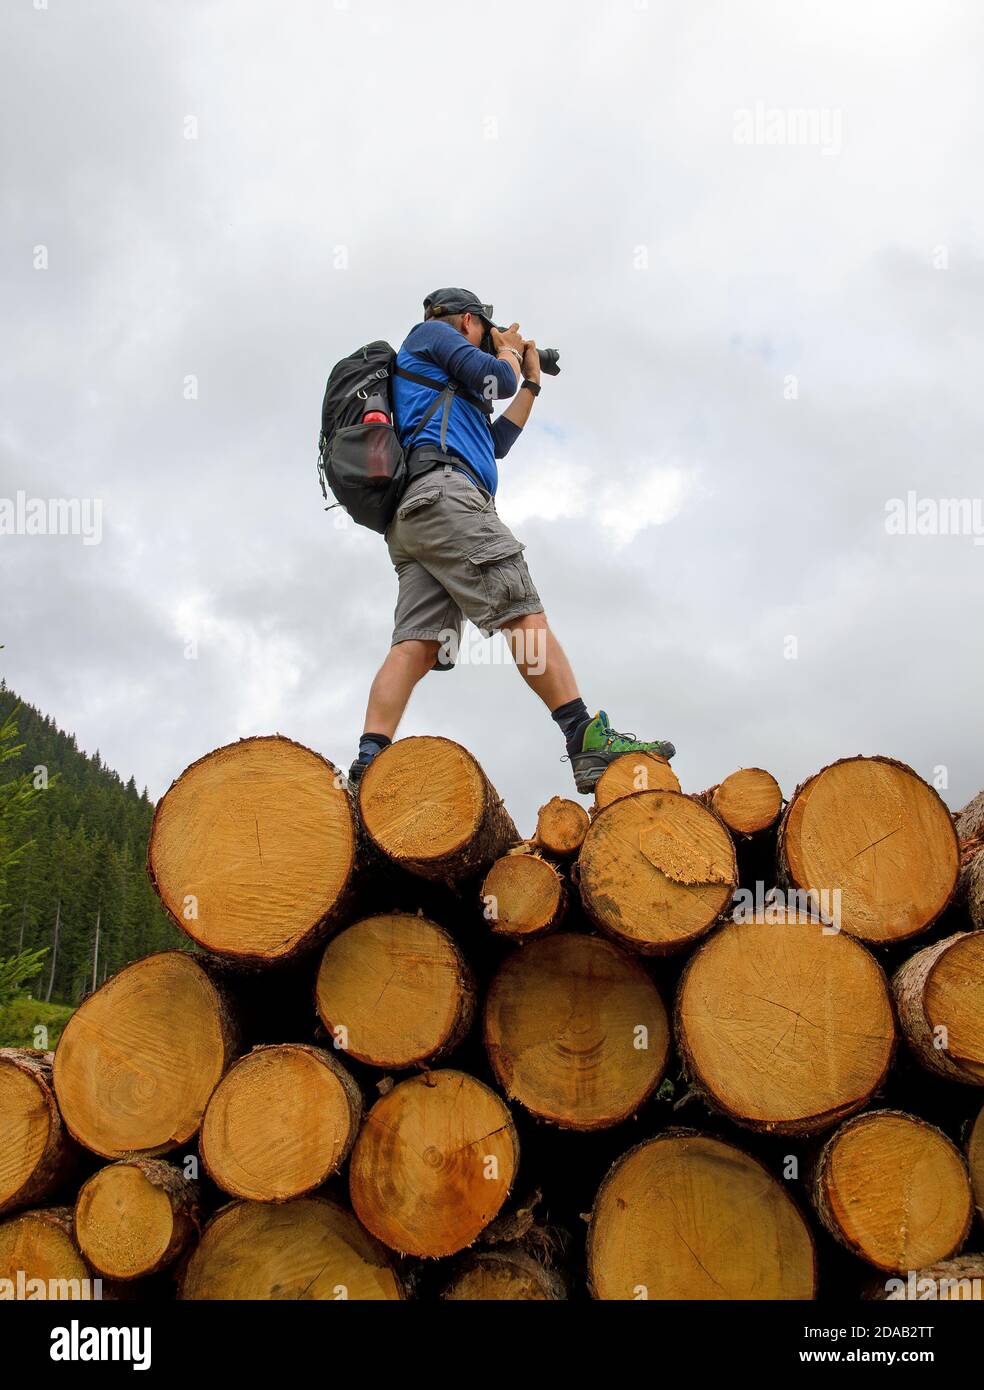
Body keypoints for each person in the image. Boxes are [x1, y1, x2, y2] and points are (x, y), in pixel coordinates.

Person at [349, 287, 676, 793]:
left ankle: (368, 763)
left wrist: (532, 384)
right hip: (449, 497)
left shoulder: (445, 382)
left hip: (417, 518)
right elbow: (494, 378)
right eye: (485, 325)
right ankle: (582, 738)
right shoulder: (433, 333)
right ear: (466, 321)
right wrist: (508, 350)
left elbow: (496, 442)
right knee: (521, 612)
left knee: (415, 644)